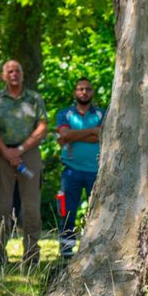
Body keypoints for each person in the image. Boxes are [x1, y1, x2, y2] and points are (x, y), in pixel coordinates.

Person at [0, 58, 49, 270]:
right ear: (4, 76)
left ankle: (31, 256)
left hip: (28, 154)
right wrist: (6, 151)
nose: (14, 74)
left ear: (22, 75)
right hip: (1, 154)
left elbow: (42, 126)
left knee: (31, 207)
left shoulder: (34, 98)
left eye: (18, 71)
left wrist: (20, 150)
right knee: (1, 206)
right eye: (10, 71)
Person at [54, 77, 103, 257]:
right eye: (81, 89)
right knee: (68, 212)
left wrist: (72, 136)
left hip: (96, 171)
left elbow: (102, 135)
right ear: (75, 92)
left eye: (88, 89)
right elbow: (64, 134)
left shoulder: (101, 114)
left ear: (92, 92)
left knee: (97, 212)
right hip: (71, 171)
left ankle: (94, 250)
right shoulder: (65, 114)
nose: (84, 92)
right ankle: (66, 251)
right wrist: (92, 131)